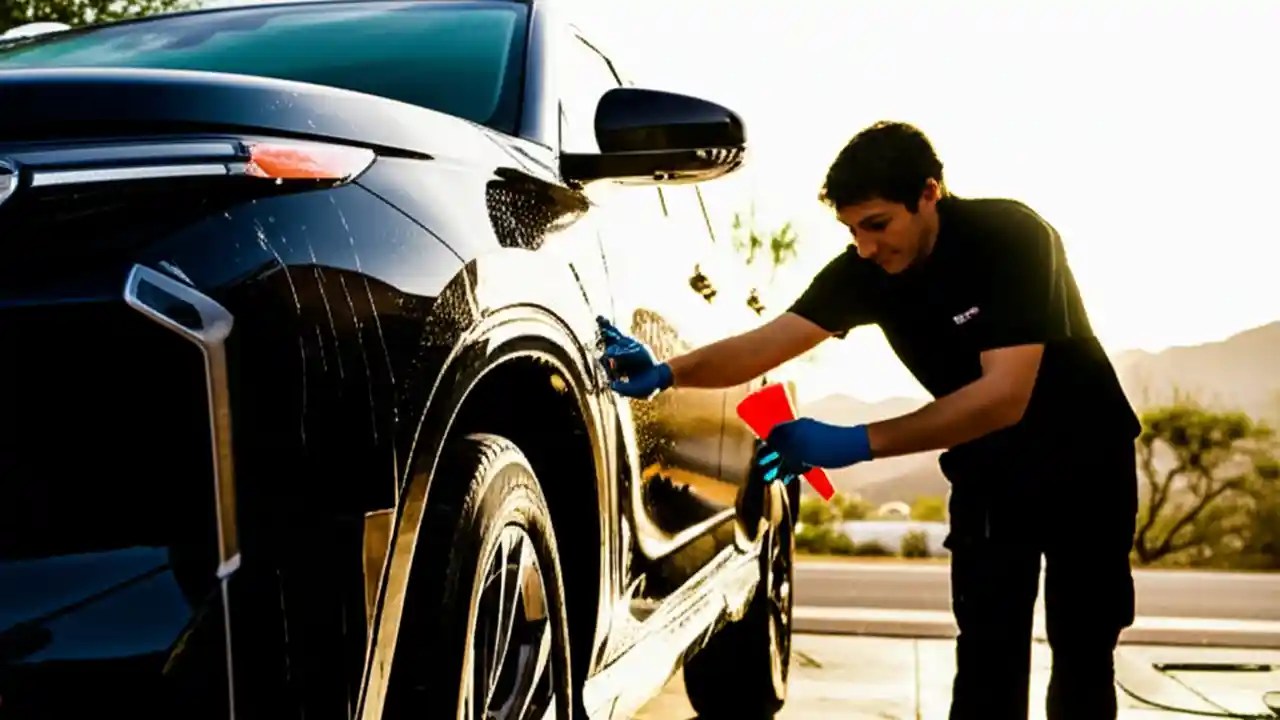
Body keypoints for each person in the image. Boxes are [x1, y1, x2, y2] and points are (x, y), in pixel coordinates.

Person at [596, 120, 1141, 720]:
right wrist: (668, 372)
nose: (865, 246)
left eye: (877, 224)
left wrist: (856, 442)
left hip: (1086, 465)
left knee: (1084, 652)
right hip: (989, 473)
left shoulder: (1011, 235)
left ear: (929, 193)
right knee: (989, 653)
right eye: (852, 229)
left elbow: (1003, 396)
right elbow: (761, 345)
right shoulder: (866, 272)